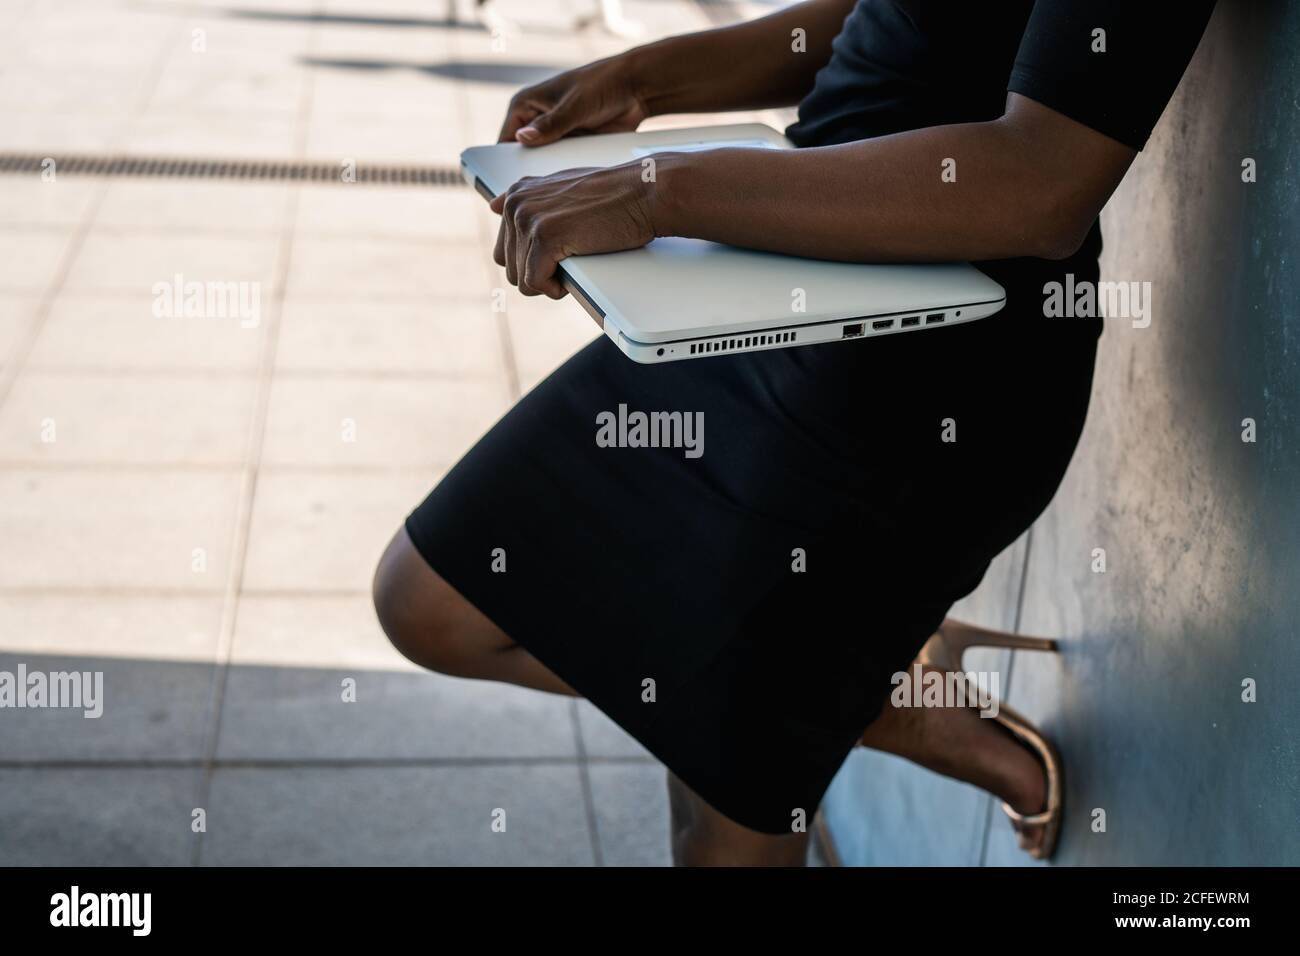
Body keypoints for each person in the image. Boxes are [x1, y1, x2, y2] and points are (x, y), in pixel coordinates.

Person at [374, 0, 1217, 865]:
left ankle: (839, 697)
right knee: (429, 604)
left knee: (719, 838)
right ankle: (857, 695)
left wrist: (665, 189)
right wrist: (642, 80)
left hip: (925, 375)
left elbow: (1041, 184)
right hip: (774, 266)